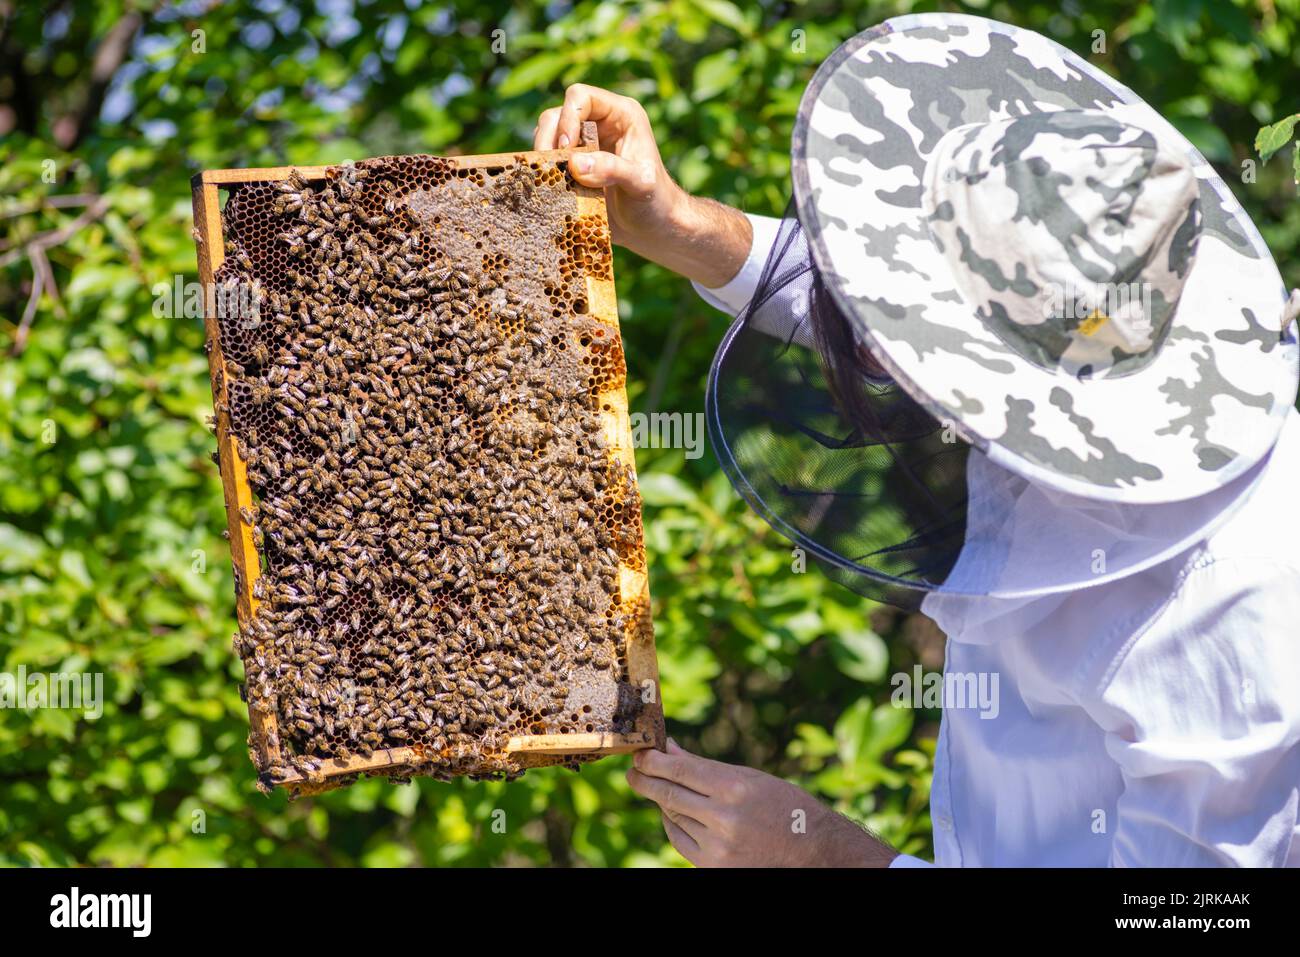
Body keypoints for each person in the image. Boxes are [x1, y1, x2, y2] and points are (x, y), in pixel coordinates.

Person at [533, 13, 1300, 867]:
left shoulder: (1231, 606)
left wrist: (831, 857)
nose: (873, 345)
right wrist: (678, 222)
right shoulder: (1088, 314)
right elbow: (906, 292)